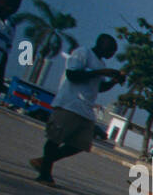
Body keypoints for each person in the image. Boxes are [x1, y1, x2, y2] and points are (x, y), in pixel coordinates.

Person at [30, 34, 125, 186]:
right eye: (111, 50)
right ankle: (44, 174)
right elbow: (72, 75)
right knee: (55, 139)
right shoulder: (83, 53)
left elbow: (99, 87)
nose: (111, 54)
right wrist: (99, 72)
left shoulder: (101, 63)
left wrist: (114, 81)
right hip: (70, 103)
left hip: (85, 108)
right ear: (102, 44)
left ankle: (44, 161)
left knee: (80, 144)